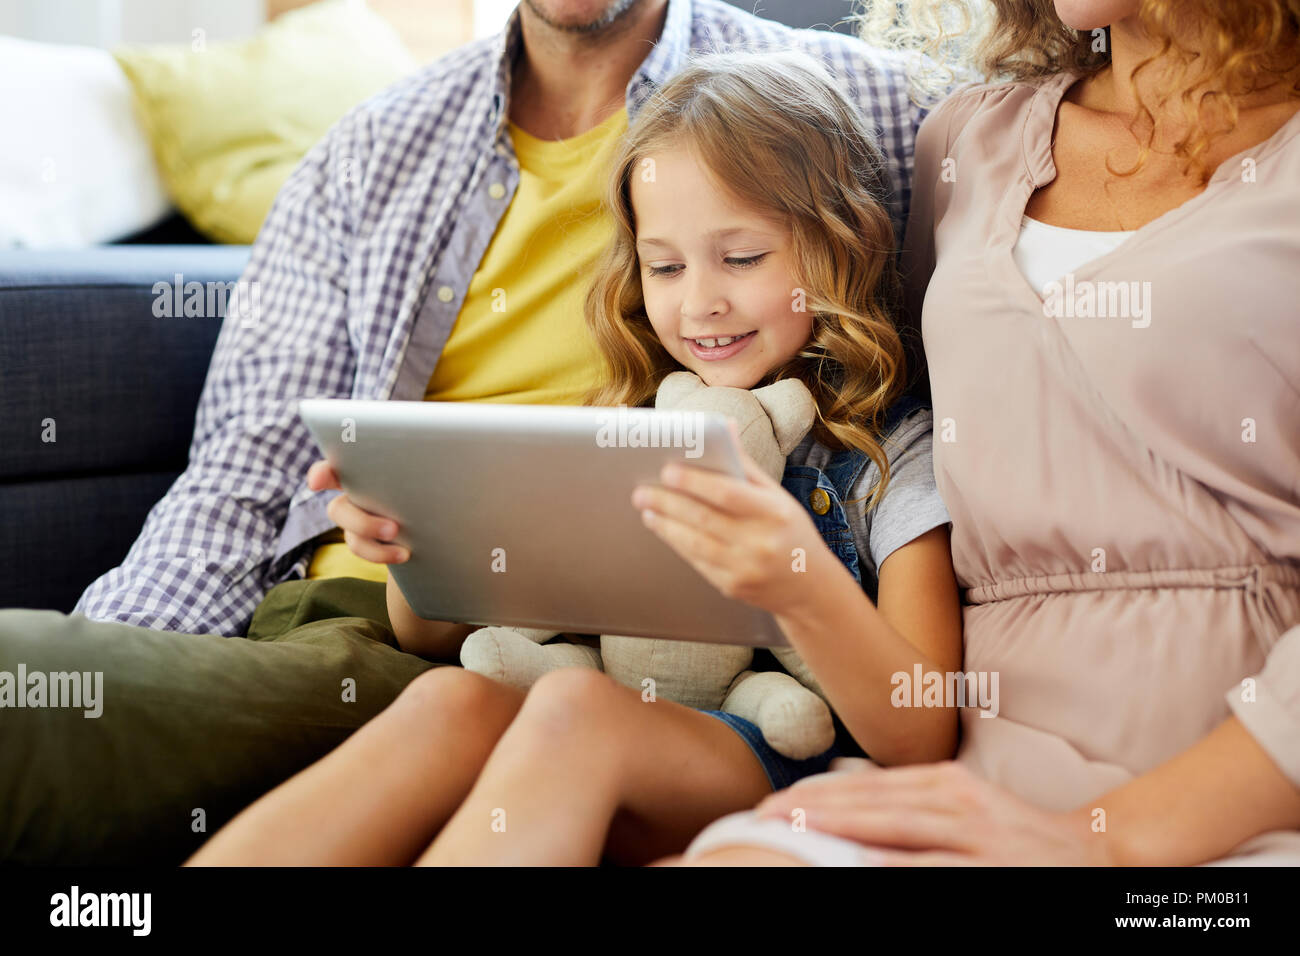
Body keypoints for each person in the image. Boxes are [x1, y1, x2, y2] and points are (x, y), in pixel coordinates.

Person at [0, 0, 933, 864]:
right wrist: (417, 541)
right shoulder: (626, 415)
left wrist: (798, 578)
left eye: (740, 258)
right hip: (438, 645)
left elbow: (922, 717)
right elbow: (278, 510)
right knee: (472, 695)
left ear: (844, 244)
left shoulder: (889, 435)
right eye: (664, 268)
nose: (702, 301)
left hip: (747, 727)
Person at [673, 0, 1300, 866]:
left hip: (1234, 802)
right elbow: (873, 395)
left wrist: (1103, 843)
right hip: (975, 769)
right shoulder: (971, 140)